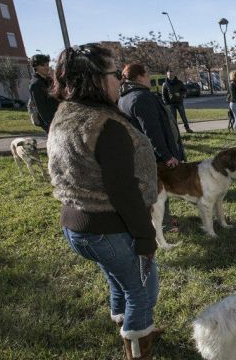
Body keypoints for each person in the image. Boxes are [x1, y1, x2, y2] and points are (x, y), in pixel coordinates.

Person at [47, 44, 162, 358]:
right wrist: (145, 236)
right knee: (142, 291)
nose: (119, 81)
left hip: (78, 226)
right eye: (114, 74)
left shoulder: (66, 112)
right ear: (95, 79)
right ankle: (138, 344)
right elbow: (122, 190)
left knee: (118, 280)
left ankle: (132, 330)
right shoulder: (103, 124)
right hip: (108, 226)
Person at [118, 63, 185, 231]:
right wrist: (167, 155)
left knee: (151, 189)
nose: (149, 79)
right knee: (158, 190)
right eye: (147, 75)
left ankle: (159, 220)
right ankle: (164, 223)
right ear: (140, 77)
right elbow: (152, 132)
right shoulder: (141, 97)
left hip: (139, 154)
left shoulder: (124, 97)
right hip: (153, 156)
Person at [29, 54, 59, 132]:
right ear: (35, 67)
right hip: (49, 121)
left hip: (57, 117)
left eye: (47, 64)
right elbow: (41, 108)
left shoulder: (48, 80)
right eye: (42, 65)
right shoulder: (36, 84)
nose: (46, 67)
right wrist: (50, 124)